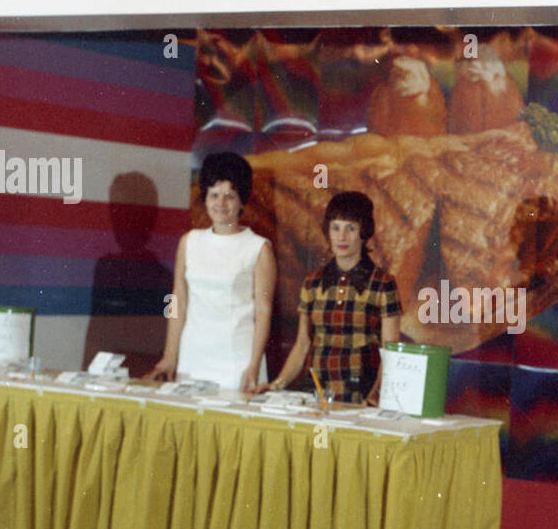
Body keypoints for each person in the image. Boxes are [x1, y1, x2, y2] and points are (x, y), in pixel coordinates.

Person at [259, 190, 401, 405]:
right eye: (335, 227)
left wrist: (376, 395)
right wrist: (277, 384)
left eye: (350, 228)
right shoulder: (313, 282)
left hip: (360, 397)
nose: (341, 236)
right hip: (315, 393)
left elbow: (391, 352)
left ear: (365, 232)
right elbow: (302, 345)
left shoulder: (383, 283)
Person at [149, 151, 274, 393]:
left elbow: (263, 311)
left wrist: (254, 366)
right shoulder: (189, 242)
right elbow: (178, 300)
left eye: (229, 196)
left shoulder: (259, 248)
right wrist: (169, 355)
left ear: (242, 201)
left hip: (237, 362)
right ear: (204, 197)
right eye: (214, 194)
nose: (220, 203)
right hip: (191, 359)